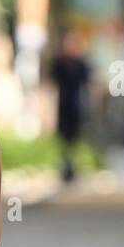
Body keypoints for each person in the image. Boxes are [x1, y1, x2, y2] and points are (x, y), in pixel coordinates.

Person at [50, 28, 92, 182]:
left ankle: (71, 165)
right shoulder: (59, 63)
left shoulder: (80, 64)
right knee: (63, 137)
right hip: (63, 105)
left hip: (77, 105)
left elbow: (88, 82)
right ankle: (65, 165)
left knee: (74, 137)